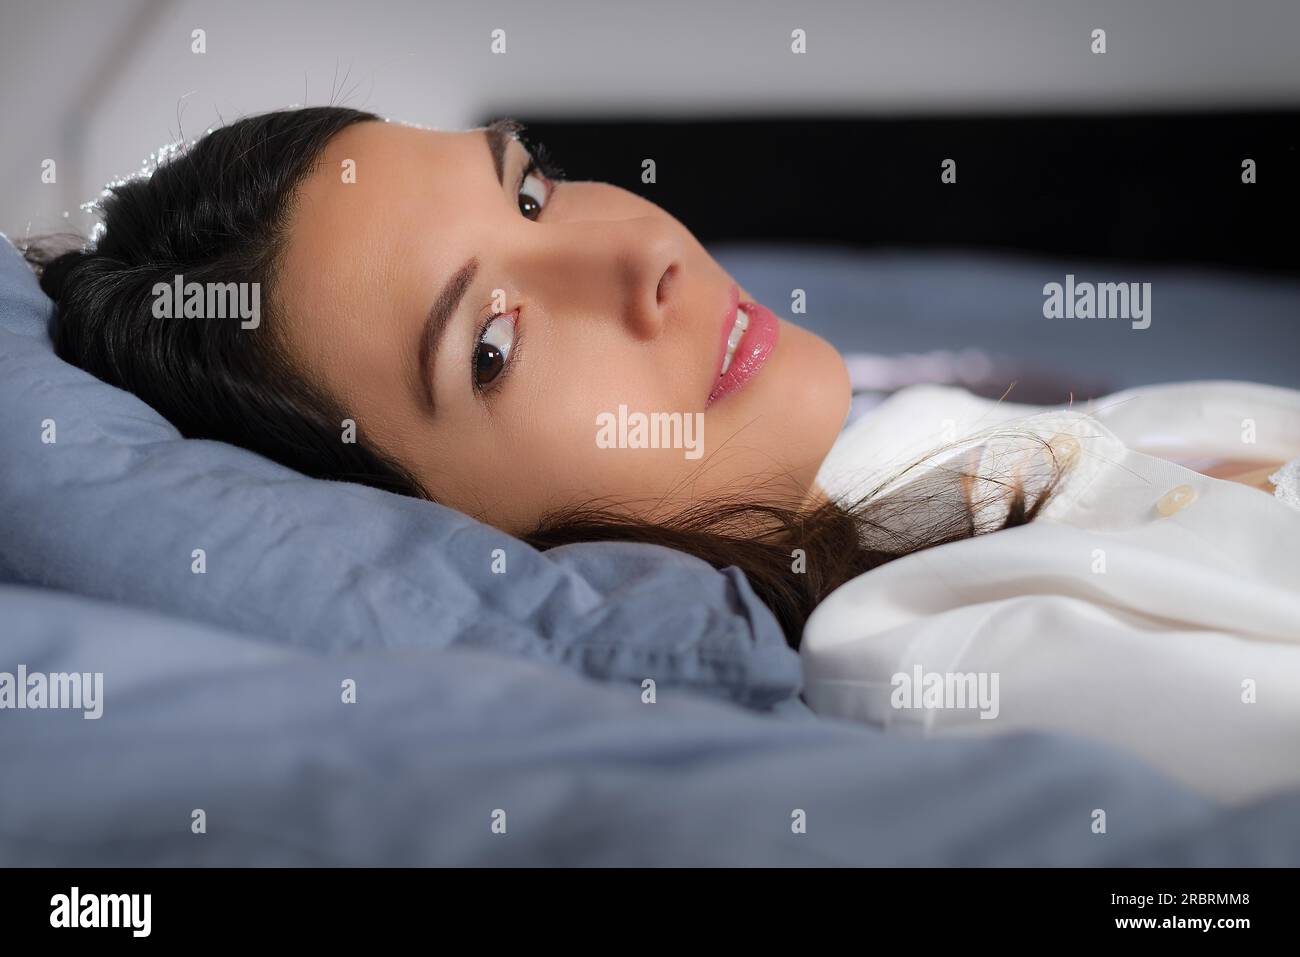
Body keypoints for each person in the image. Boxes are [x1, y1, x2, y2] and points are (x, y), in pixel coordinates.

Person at [21, 106, 1297, 666]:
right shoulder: (950, 656)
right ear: (431, 529)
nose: (645, 256)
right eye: (492, 347)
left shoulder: (918, 470)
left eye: (530, 187)